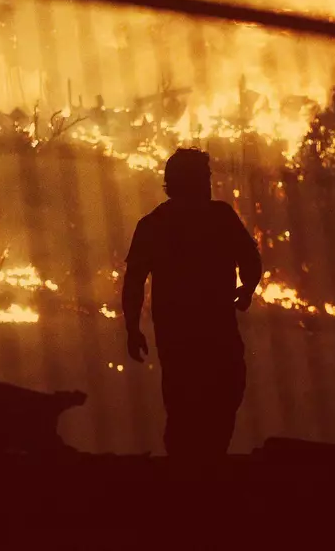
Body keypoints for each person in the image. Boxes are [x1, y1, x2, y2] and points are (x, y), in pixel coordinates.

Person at [122, 148, 262, 458]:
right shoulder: (220, 217)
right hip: (213, 331)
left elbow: (133, 282)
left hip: (177, 333)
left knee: (183, 402)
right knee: (224, 391)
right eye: (205, 177)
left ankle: (189, 469)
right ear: (194, 181)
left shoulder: (153, 224)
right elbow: (251, 258)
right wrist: (247, 288)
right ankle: (202, 467)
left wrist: (132, 328)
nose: (209, 182)